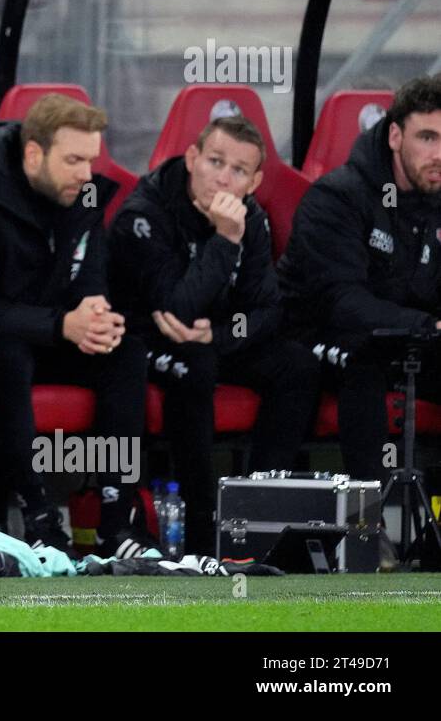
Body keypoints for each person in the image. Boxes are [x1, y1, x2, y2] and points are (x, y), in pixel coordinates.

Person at [0, 94, 157, 558]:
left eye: (91, 160)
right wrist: (63, 325)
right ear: (34, 154)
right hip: (0, 337)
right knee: (8, 356)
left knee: (125, 352)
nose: (86, 174)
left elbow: (91, 264)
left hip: (60, 332)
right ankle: (40, 519)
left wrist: (96, 308)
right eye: (74, 160)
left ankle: (118, 524)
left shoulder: (80, 191)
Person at [109, 115, 319, 555]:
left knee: (298, 366)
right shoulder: (144, 213)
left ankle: (257, 517)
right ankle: (203, 537)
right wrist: (226, 239)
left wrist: (221, 335)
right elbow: (177, 307)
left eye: (238, 171)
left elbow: (266, 311)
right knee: (195, 369)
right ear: (191, 159)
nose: (223, 178)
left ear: (255, 180)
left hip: (213, 338)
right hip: (147, 341)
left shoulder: (252, 218)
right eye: (214, 161)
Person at [280, 75, 441, 483]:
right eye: (427, 137)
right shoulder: (338, 196)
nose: (438, 154)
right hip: (317, 335)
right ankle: (369, 531)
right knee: (364, 365)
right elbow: (342, 302)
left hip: (406, 338)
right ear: (394, 136)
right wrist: (427, 326)